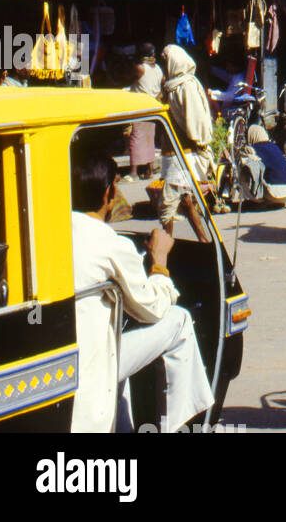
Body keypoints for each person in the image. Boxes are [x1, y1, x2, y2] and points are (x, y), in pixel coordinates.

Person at [70, 147, 214, 432]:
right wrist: (159, 261)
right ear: (108, 194)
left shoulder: (52, 231)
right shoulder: (109, 242)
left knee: (118, 343)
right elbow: (152, 308)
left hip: (74, 357)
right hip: (94, 364)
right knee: (180, 320)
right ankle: (177, 427)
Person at [159, 45, 213, 238]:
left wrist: (199, 143)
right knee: (185, 199)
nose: (163, 65)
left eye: (165, 61)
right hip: (174, 149)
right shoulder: (172, 86)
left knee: (167, 202)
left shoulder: (185, 86)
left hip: (185, 151)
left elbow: (196, 121)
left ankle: (165, 246)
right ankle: (203, 238)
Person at [126, 43, 163, 179]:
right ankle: (150, 170)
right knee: (149, 139)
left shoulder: (140, 68)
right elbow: (162, 83)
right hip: (152, 106)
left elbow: (127, 78)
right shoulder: (158, 68)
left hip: (140, 107)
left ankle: (134, 172)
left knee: (136, 138)